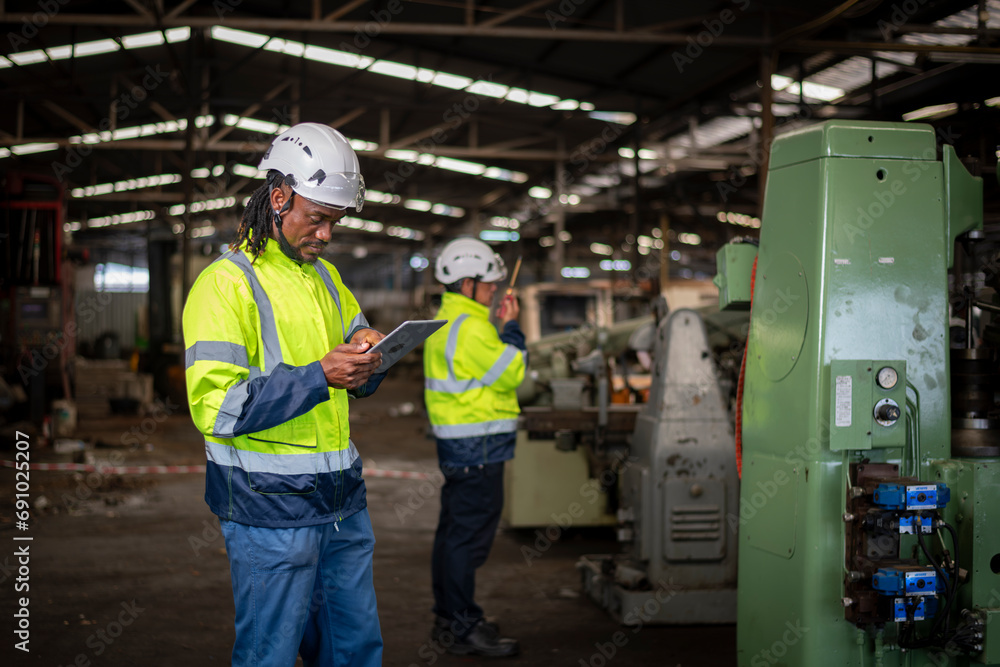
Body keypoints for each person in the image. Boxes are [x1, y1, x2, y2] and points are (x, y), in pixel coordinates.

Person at [182, 122, 387, 667]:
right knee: (268, 654)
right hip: (267, 508)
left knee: (354, 647)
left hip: (340, 502)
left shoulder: (324, 277)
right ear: (279, 197)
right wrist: (321, 375)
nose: (325, 235)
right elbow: (216, 407)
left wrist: (368, 353)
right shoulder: (225, 285)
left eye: (333, 222)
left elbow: (355, 351)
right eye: (316, 218)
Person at [423, 237, 526, 657]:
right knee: (467, 541)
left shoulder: (446, 321)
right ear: (467, 284)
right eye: (488, 285)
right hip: (478, 449)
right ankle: (464, 627)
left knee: (453, 536)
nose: (495, 291)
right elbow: (512, 371)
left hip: (460, 446)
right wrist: (514, 328)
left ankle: (449, 620)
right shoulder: (473, 328)